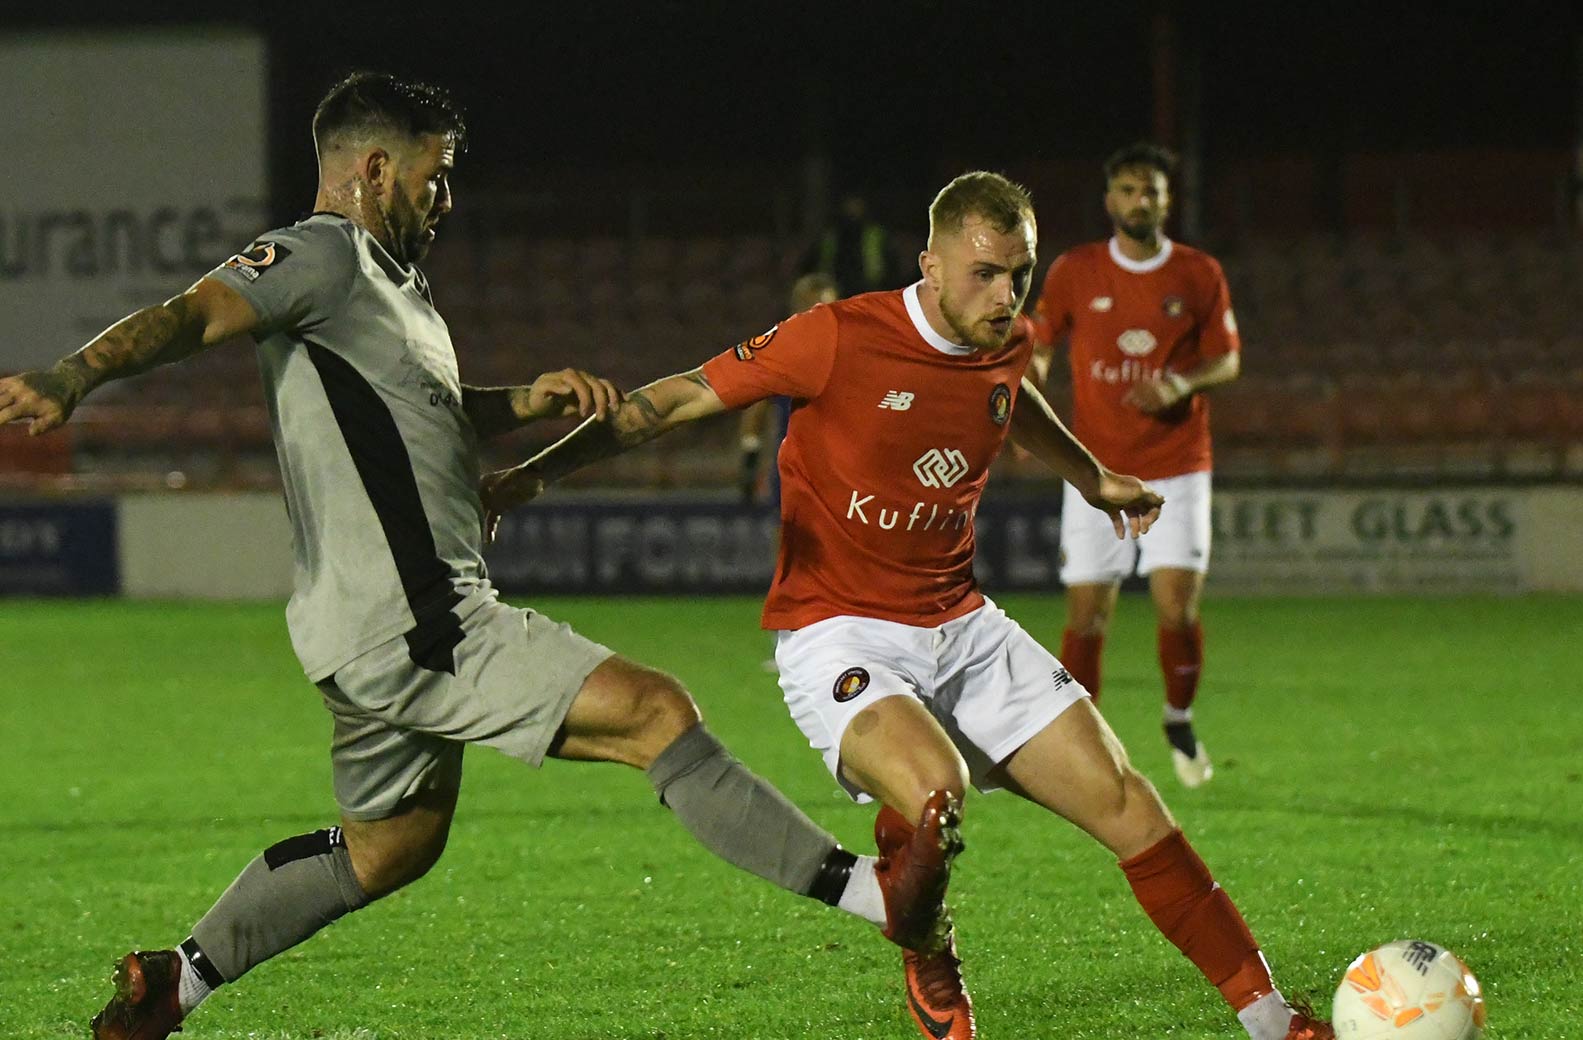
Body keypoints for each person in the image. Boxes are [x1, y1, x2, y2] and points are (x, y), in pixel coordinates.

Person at [0, 73, 919, 1040]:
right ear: (376, 169)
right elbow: (193, 314)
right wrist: (75, 374)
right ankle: (880, 898)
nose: (447, 200)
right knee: (657, 713)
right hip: (417, 619)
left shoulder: (398, 294)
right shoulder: (322, 255)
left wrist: (520, 404)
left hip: (368, 630)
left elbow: (422, 410)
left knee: (389, 848)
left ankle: (172, 984)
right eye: (436, 178)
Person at [483, 172, 1332, 1040]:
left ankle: (1273, 1022)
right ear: (929, 265)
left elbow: (1011, 399)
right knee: (936, 792)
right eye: (985, 273)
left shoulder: (1006, 338)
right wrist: (528, 477)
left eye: (1021, 274)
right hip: (839, 631)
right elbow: (671, 401)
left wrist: (1090, 475)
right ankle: (927, 945)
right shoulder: (837, 337)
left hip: (963, 625)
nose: (1006, 296)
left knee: (1131, 804)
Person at [1027, 142, 1244, 788]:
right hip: (1094, 472)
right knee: (1086, 615)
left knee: (1176, 607)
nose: (1139, 200)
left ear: (1166, 199)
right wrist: (1029, 383)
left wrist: (1178, 386)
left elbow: (1227, 358)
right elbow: (1039, 340)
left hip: (1177, 466)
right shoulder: (1075, 270)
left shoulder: (1199, 273)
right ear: (1109, 200)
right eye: (1127, 190)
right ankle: (1084, 743)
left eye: (1150, 190)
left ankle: (1178, 716)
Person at [736, 272, 838, 506]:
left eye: (831, 308)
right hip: (793, 475)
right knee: (787, 538)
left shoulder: (848, 353)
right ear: (798, 310)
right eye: (817, 308)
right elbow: (757, 408)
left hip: (839, 474)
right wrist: (750, 458)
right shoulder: (781, 353)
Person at [803, 194, 903, 295]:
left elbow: (890, 263)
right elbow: (820, 262)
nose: (853, 209)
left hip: (870, 288)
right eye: (850, 204)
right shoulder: (833, 235)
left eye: (856, 204)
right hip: (837, 289)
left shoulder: (875, 233)